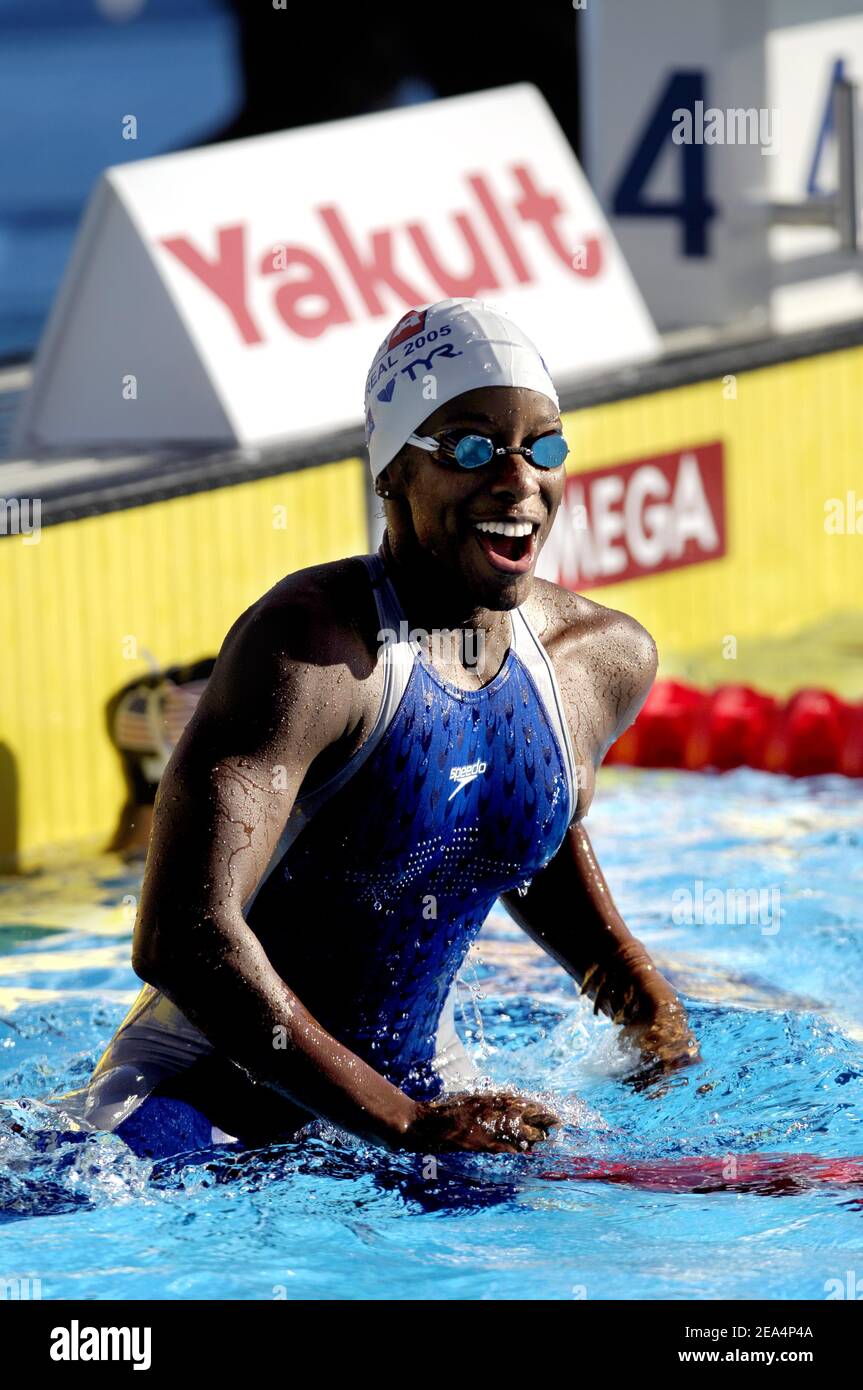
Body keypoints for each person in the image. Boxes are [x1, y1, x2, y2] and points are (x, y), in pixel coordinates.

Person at [54, 298, 699, 1160]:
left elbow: (518, 823)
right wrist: (407, 1128)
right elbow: (182, 937)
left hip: (418, 1087)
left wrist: (633, 993)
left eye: (543, 447)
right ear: (392, 471)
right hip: (198, 1095)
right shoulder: (313, 649)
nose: (518, 481)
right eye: (472, 448)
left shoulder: (597, 663)